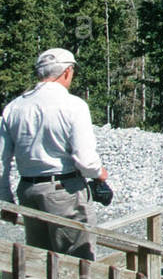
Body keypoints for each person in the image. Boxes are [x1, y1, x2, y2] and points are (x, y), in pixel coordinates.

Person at [0, 49, 108, 264]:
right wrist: (100, 175)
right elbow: (85, 160)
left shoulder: (14, 107)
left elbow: (2, 159)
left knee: (36, 260)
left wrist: (4, 199)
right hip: (64, 190)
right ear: (67, 71)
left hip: (28, 190)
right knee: (78, 263)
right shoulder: (74, 106)